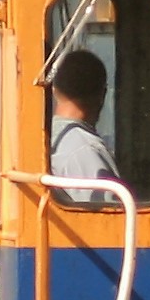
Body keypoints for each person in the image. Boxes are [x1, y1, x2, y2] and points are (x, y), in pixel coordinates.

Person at [48, 47, 121, 207]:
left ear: (54, 90)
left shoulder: (47, 137)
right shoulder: (85, 150)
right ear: (102, 94)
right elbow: (110, 220)